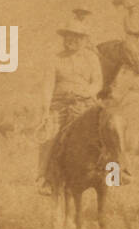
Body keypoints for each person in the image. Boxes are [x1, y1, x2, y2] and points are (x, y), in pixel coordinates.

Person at [36, 23, 104, 196]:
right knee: (49, 135)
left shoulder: (92, 58)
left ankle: (116, 174)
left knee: (109, 130)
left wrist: (86, 93)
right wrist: (45, 111)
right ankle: (45, 178)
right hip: (61, 105)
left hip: (86, 104)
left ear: (83, 39)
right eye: (68, 36)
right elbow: (47, 86)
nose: (70, 40)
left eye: (76, 36)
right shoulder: (55, 58)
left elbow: (98, 82)